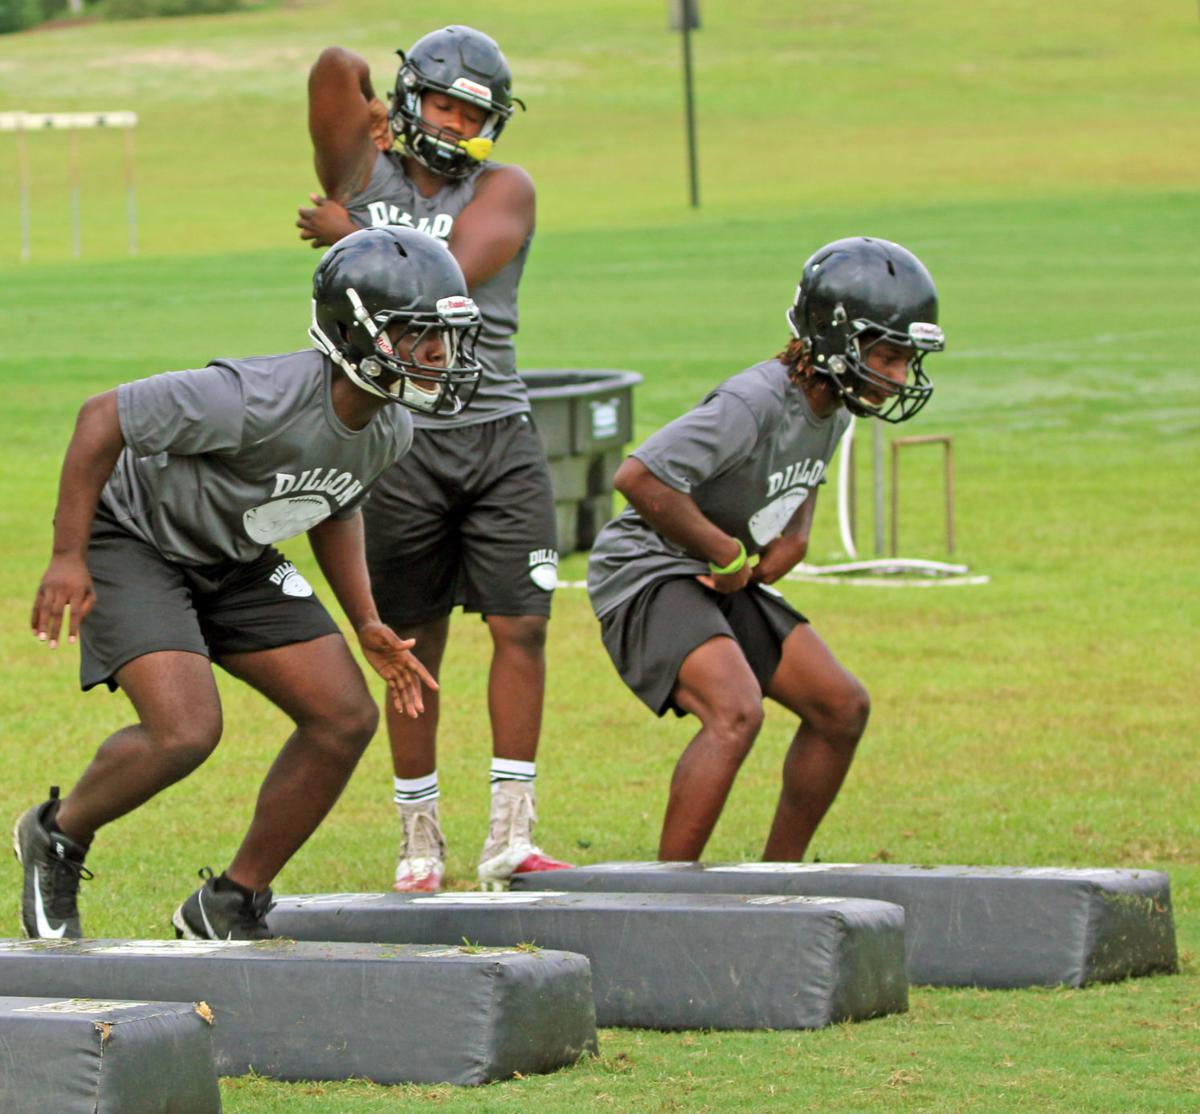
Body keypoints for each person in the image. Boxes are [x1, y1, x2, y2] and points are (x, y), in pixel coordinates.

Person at [14, 226, 481, 941]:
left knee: (344, 716)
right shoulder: (250, 397)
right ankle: (59, 833)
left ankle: (229, 900)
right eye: (421, 337)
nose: (439, 358)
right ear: (358, 335)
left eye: (445, 339)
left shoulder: (391, 428)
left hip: (234, 550)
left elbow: (334, 501)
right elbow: (101, 417)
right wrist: (68, 554)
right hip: (135, 538)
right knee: (185, 730)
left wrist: (365, 621)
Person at [299, 26, 571, 892]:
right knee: (409, 642)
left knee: (521, 624)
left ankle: (511, 833)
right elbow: (332, 68)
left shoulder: (505, 186)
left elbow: (448, 275)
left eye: (474, 113)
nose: (456, 125)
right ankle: (420, 839)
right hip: (397, 441)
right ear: (412, 98)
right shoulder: (365, 170)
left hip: (497, 433)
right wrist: (377, 104)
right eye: (443, 104)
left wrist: (354, 235)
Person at [587, 237, 945, 862]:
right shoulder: (751, 402)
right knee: (734, 710)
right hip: (647, 568)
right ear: (835, 340)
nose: (896, 376)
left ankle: (779, 881)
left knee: (841, 707)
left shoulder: (836, 407)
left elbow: (803, 475)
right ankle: (662, 899)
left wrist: (797, 536)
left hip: (714, 572)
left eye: (904, 360)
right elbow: (638, 478)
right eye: (887, 357)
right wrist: (725, 552)